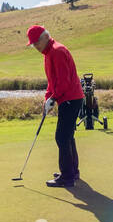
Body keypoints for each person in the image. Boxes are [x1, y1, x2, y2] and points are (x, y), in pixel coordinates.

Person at [26, 24, 83, 188]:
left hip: (70, 98)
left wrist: (54, 98)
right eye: (33, 44)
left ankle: (67, 177)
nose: (36, 46)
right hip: (68, 98)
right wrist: (47, 99)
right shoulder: (48, 53)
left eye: (37, 42)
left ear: (46, 37)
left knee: (62, 137)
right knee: (67, 136)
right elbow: (52, 82)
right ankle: (72, 171)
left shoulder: (57, 51)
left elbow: (64, 82)